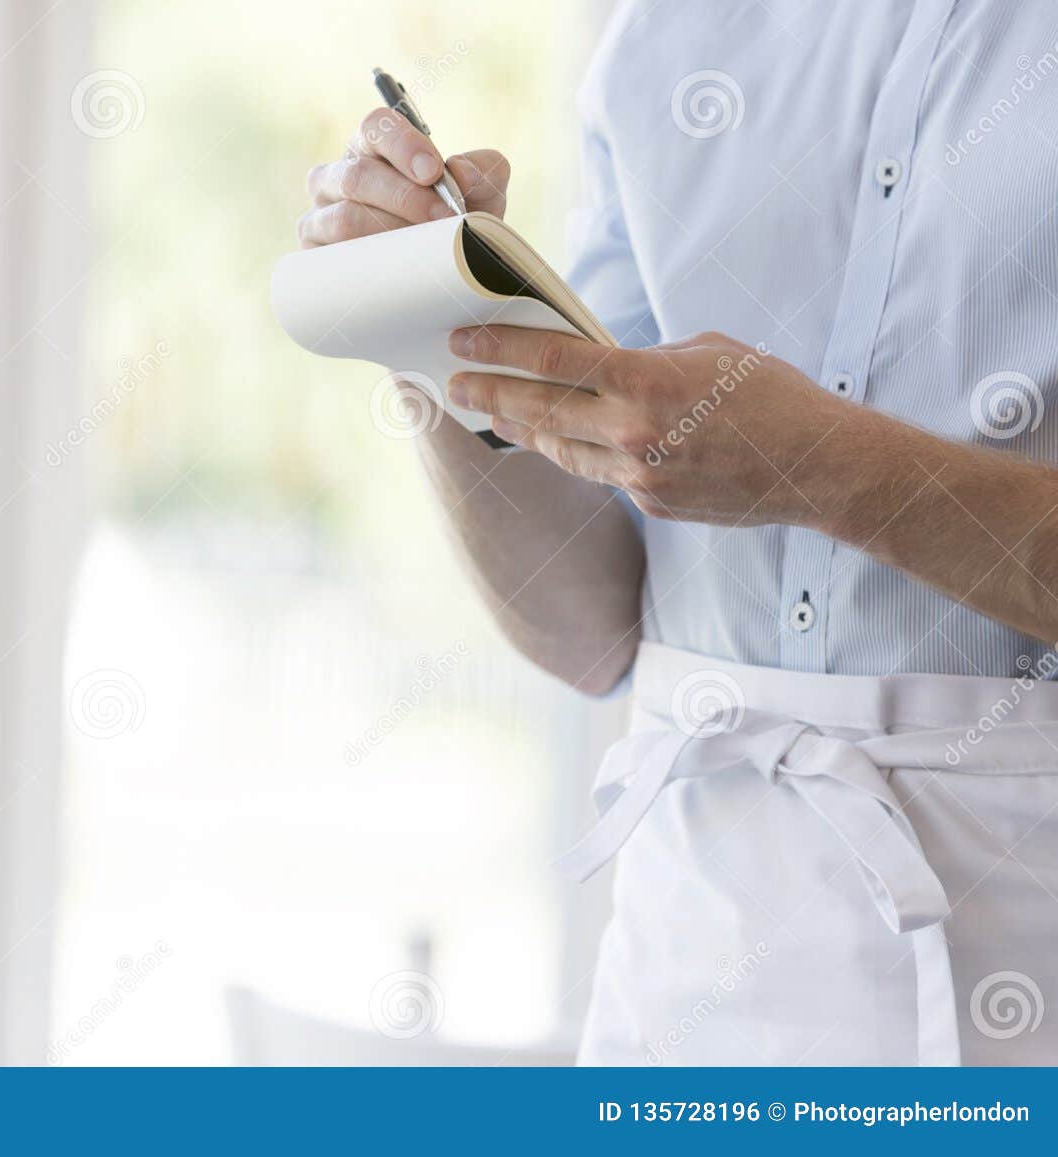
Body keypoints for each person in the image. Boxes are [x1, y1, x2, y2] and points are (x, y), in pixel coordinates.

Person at [296, 0, 1058, 1065]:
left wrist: (824, 466)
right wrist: (428, 329)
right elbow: (592, 630)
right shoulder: (661, 42)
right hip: (692, 955)